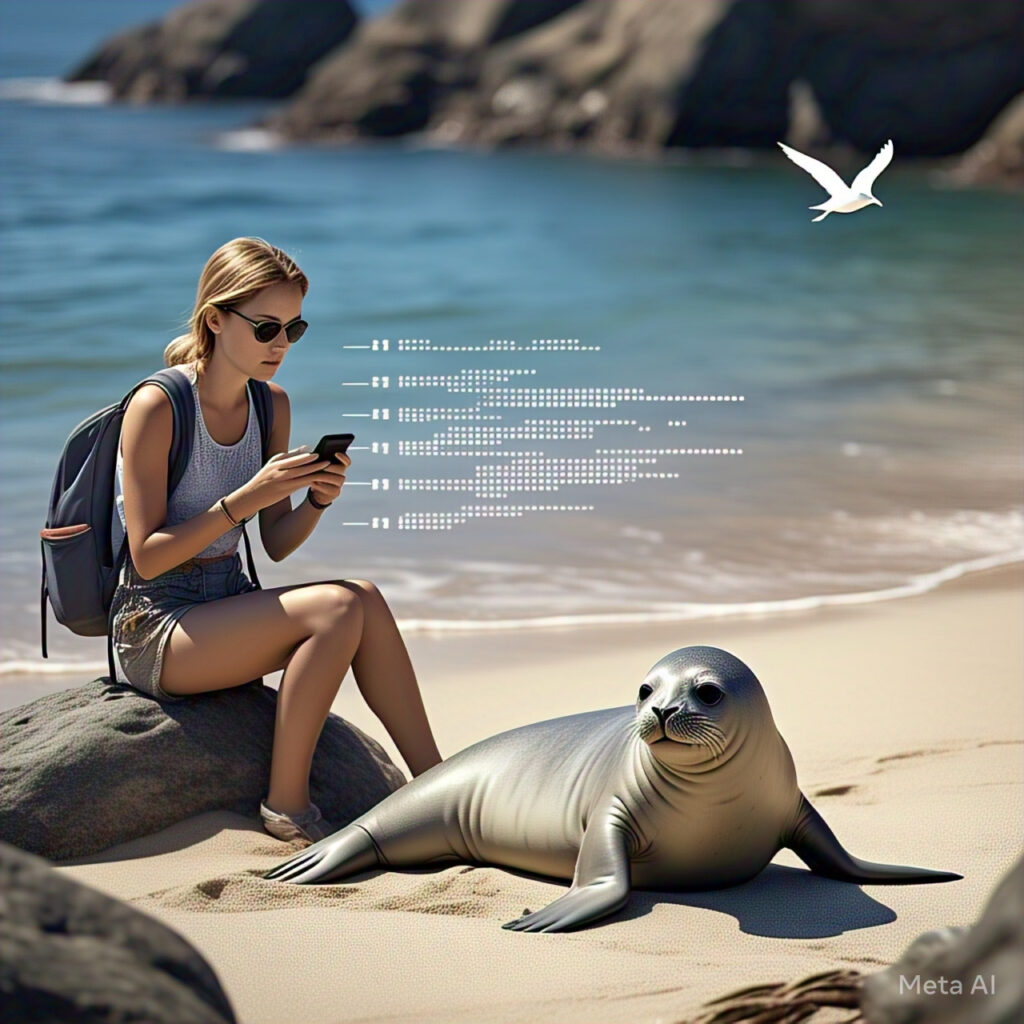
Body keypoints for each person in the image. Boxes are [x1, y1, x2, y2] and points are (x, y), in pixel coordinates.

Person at [109, 236, 443, 845]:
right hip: (158, 622)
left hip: (226, 603)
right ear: (215, 318)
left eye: (295, 328)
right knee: (340, 604)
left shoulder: (271, 405)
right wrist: (243, 499)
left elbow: (278, 542)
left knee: (361, 595)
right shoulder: (157, 406)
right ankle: (287, 807)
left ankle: (441, 786)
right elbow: (146, 554)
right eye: (266, 328)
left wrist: (316, 498)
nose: (282, 345)